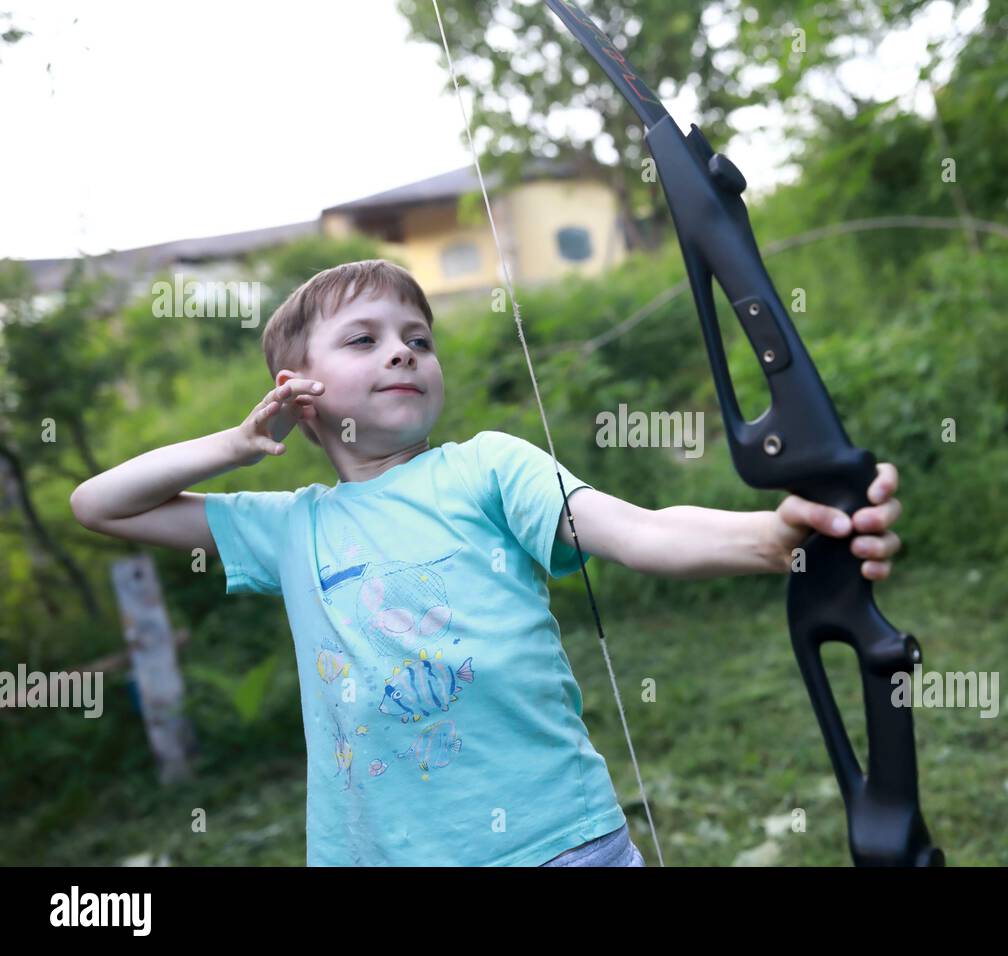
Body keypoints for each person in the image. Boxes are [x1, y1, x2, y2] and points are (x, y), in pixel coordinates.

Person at [68, 259, 904, 866]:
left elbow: (640, 530)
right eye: (364, 339)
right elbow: (100, 504)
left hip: (559, 841)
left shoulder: (488, 468)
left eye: (417, 338)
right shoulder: (289, 528)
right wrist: (241, 443)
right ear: (299, 392)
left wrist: (772, 538)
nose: (402, 352)